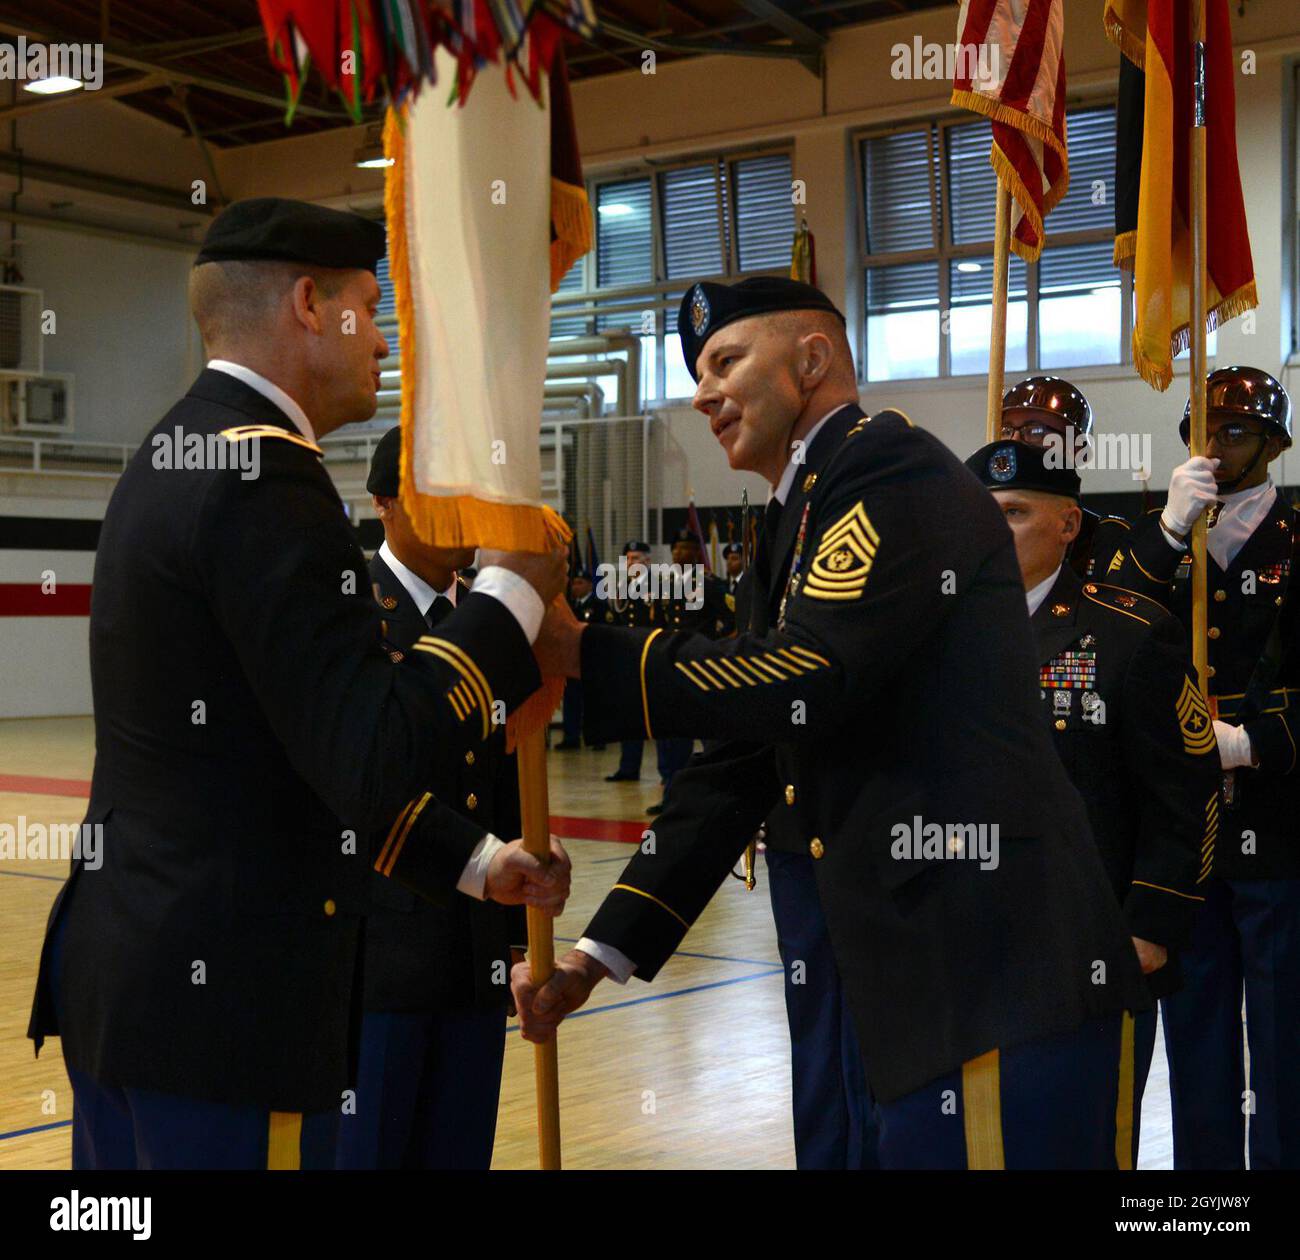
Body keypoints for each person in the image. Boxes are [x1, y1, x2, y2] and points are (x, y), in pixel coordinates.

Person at [515, 276, 1153, 1169]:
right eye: (698, 373)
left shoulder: (889, 469)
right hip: (909, 989)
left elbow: (806, 674)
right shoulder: (798, 515)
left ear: (813, 359)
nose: (702, 394)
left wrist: (585, 651)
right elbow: (742, 763)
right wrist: (597, 952)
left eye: (726, 362)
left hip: (989, 976)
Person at [25, 198, 570, 1170]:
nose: (389, 339)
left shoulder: (174, 450)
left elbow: (286, 747)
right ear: (311, 305)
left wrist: (474, 861)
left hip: (133, 984)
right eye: (373, 305)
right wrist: (509, 597)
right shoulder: (266, 478)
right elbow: (368, 751)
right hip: (228, 1008)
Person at [966, 438, 1220, 1167]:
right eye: (981, 514)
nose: (993, 529)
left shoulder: (1128, 633)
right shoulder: (942, 630)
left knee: (1083, 1145)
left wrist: (1151, 925)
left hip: (1097, 947)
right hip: (975, 944)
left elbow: (1187, 791)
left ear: (1069, 524)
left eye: (1014, 512)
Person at [1112, 366, 1300, 1169]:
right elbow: (1106, 632)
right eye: (1203, 432)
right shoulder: (1162, 537)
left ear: (1274, 442)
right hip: (1185, 834)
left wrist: (1252, 739)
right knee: (1196, 1044)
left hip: (1284, 826)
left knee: (1287, 1042)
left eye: (1235, 433)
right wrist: (1163, 536)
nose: (1217, 451)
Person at [332, 427, 526, 1169]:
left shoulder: (487, 620)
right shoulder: (349, 611)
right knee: (372, 1152)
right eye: (433, 499)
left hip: (474, 952)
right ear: (384, 503)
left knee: (459, 1151)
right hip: (381, 950)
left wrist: (515, 942)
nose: (458, 519)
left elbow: (502, 780)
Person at [998, 375, 1135, 586]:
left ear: (1077, 449)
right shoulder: (981, 527)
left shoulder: (1106, 540)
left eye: (1035, 431)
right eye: (1006, 430)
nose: (1014, 442)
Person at [602, 540, 654, 784]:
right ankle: (628, 767)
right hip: (628, 662)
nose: (634, 563)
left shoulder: (659, 589)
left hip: (652, 660)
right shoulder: (619, 591)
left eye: (639, 558)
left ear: (648, 562)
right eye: (630, 559)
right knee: (629, 717)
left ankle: (668, 775)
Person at [556, 570, 605, 750]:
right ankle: (572, 737)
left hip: (592, 660)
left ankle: (598, 739)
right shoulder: (569, 605)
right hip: (572, 660)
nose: (575, 587)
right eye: (574, 583)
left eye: (580, 583)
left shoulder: (599, 605)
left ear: (590, 585)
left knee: (593, 701)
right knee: (571, 701)